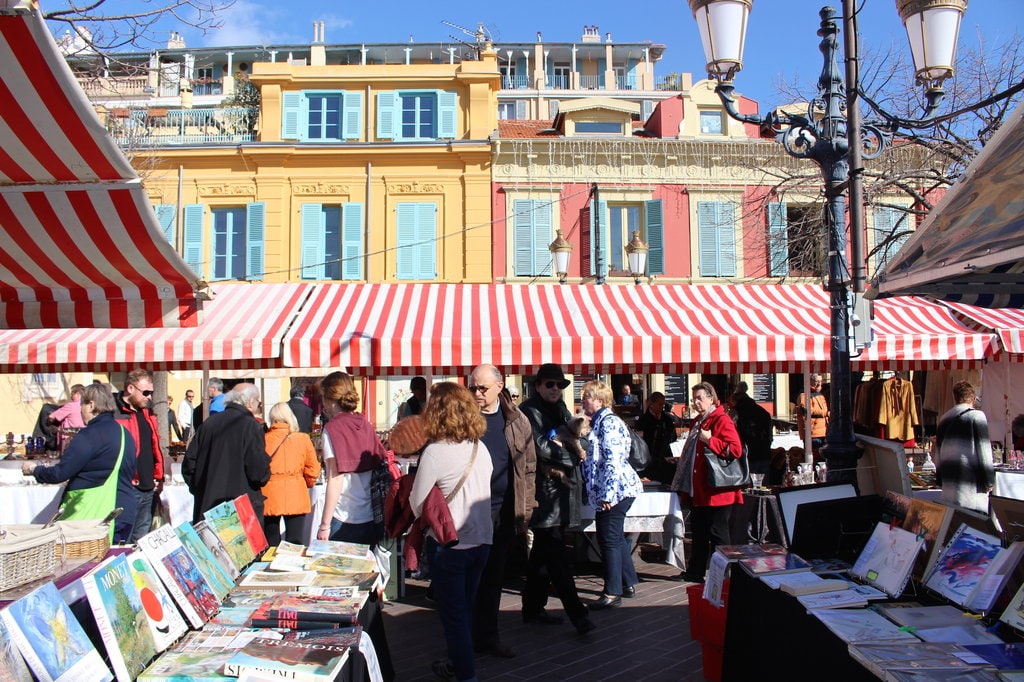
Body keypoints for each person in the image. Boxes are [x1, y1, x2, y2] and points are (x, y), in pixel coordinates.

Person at [410, 382, 493, 682]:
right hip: (482, 539)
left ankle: (465, 673)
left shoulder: (435, 451)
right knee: (465, 610)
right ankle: (459, 663)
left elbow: (417, 503)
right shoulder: (479, 447)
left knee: (454, 616)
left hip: (449, 544)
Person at [467, 364, 538, 659]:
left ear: (500, 386)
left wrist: (525, 511)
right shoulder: (464, 419)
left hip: (503, 509)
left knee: (494, 576)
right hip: (470, 510)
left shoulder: (517, 420)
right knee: (471, 576)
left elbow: (529, 468)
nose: (477, 393)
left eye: (483, 388)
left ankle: (489, 635)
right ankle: (465, 638)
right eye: (473, 387)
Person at [519, 363, 595, 636]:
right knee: (557, 555)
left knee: (542, 553)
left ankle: (532, 608)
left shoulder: (562, 408)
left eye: (559, 385)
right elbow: (538, 447)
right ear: (538, 385)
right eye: (549, 384)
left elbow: (582, 439)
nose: (554, 389)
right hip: (543, 493)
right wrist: (570, 454)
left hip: (561, 491)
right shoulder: (528, 411)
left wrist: (570, 449)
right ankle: (577, 614)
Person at [23, 383, 139, 543]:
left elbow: (59, 473)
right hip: (125, 511)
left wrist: (35, 470)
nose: (80, 410)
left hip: (95, 516)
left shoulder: (88, 435)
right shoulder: (125, 433)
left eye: (82, 405)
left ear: (91, 405)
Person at [671, 382, 745, 583]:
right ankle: (696, 571)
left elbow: (735, 449)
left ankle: (726, 575)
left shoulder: (721, 420)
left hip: (718, 491)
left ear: (711, 398)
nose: (696, 402)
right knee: (700, 533)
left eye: (700, 398)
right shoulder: (698, 420)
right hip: (701, 490)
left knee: (718, 534)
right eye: (694, 398)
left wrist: (710, 440)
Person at [580, 380, 643, 609]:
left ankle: (612, 591)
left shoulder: (609, 423)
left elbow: (613, 461)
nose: (583, 400)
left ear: (599, 399)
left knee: (608, 539)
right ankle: (627, 584)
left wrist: (607, 494)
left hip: (616, 491)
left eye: (586, 396)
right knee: (614, 538)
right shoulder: (598, 422)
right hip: (613, 490)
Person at [182, 383, 271, 525]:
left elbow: (189, 464)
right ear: (249, 402)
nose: (257, 407)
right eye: (258, 403)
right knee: (243, 548)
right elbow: (258, 472)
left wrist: (201, 490)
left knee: (210, 546)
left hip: (208, 506)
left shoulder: (209, 424)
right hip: (241, 510)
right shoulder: (250, 425)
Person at [318, 371, 387, 545]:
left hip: (343, 517)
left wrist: (324, 525)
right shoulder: (364, 423)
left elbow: (336, 479)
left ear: (328, 399)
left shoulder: (332, 429)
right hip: (371, 514)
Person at [115, 369, 165, 542]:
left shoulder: (147, 413)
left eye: (151, 393)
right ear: (130, 388)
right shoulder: (115, 413)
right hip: (127, 487)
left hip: (148, 487)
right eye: (146, 392)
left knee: (142, 539)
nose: (149, 397)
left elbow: (153, 448)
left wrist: (159, 477)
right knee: (124, 539)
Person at [261, 402, 321, 547]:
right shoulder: (302, 439)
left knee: (271, 540)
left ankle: (271, 566)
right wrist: (307, 482)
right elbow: (313, 467)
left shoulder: (263, 439)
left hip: (269, 493)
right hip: (296, 492)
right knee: (295, 540)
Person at [935, 381, 995, 513]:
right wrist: (989, 481)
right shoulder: (977, 416)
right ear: (973, 399)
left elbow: (937, 455)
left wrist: (940, 480)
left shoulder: (944, 419)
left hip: (949, 490)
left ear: (955, 398)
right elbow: (984, 452)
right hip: (971, 490)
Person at [731, 382, 775, 483]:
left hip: (747, 454)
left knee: (749, 487)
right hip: (764, 452)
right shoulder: (762, 411)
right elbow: (769, 432)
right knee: (764, 486)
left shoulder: (736, 412)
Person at [635, 391, 679, 484]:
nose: (662, 407)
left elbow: (673, 436)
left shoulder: (666, 419)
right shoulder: (643, 420)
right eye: (660, 404)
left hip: (666, 459)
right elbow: (639, 442)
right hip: (649, 460)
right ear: (652, 404)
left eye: (663, 404)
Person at [796, 374, 829, 454]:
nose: (819, 384)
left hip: (824, 432)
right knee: (815, 455)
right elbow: (806, 410)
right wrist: (825, 413)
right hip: (813, 433)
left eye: (821, 381)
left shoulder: (820, 395)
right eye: (817, 381)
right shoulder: (804, 395)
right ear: (810, 382)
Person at [49, 384, 86, 451]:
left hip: (69, 439)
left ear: (77, 393)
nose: (71, 396)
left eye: (72, 394)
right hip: (84, 437)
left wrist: (50, 423)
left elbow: (51, 416)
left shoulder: (71, 406)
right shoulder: (87, 405)